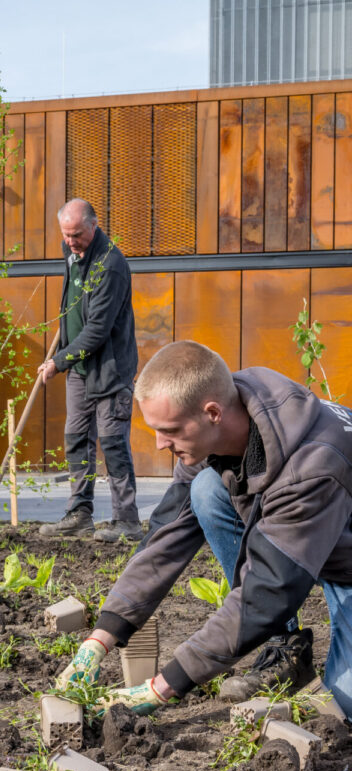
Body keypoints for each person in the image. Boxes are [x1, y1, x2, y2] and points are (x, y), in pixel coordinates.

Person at [55, 340, 350, 718]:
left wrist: (162, 687)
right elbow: (168, 533)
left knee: (346, 702)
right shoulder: (223, 425)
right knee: (206, 489)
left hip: (345, 561)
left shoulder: (312, 466)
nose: (161, 444)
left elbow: (270, 591)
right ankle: (285, 648)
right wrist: (101, 637)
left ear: (211, 412)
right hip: (308, 543)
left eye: (171, 430)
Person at [37, 198, 141, 542]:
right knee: (76, 440)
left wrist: (58, 361)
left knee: (112, 444)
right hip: (81, 370)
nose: (70, 241)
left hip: (109, 370)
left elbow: (97, 328)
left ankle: (127, 522)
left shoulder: (109, 265)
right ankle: (79, 513)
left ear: (93, 227)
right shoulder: (74, 256)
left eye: (77, 235)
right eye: (66, 235)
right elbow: (74, 307)